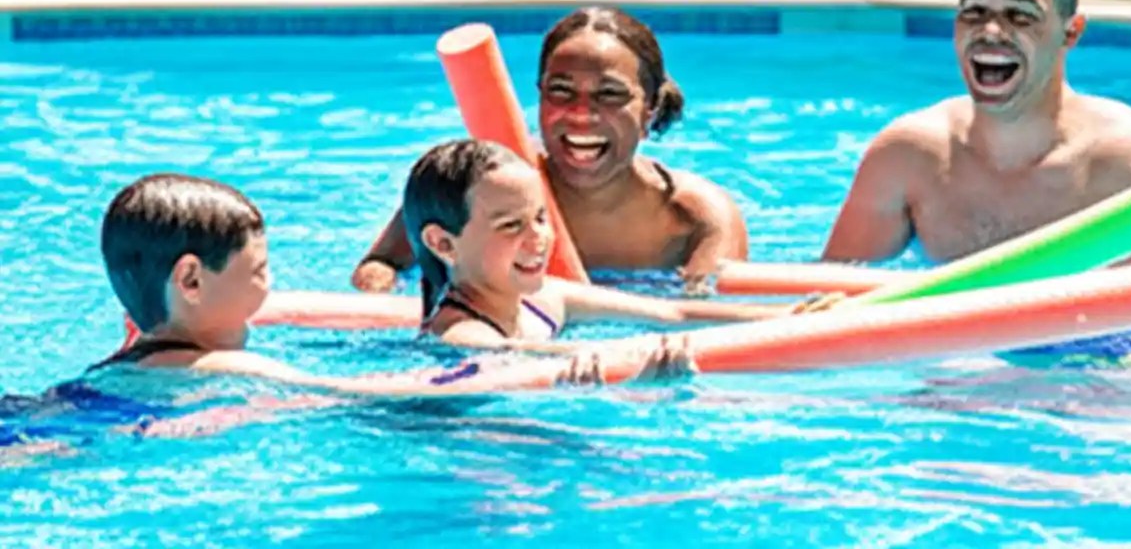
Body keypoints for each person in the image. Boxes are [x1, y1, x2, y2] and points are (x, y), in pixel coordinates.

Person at [93, 173, 693, 396]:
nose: (267, 290)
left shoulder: (129, 362)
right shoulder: (221, 370)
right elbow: (392, 394)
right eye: (259, 273)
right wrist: (593, 371)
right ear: (191, 280)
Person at [822, 0, 1131, 265]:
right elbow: (827, 298)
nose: (990, 31)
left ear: (1071, 33)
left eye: (1020, 16)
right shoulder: (907, 158)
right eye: (973, 11)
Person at [352, 7, 748, 294]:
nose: (580, 115)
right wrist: (385, 295)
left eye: (609, 95)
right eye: (561, 91)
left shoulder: (697, 218)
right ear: (539, 97)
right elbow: (380, 263)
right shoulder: (484, 185)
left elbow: (706, 319)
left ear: (649, 111)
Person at [303, 140, 837, 351]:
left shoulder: (543, 298)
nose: (539, 238)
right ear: (443, 242)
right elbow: (529, 359)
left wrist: (787, 315)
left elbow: (670, 312)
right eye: (511, 226)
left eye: (541, 216)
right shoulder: (463, 333)